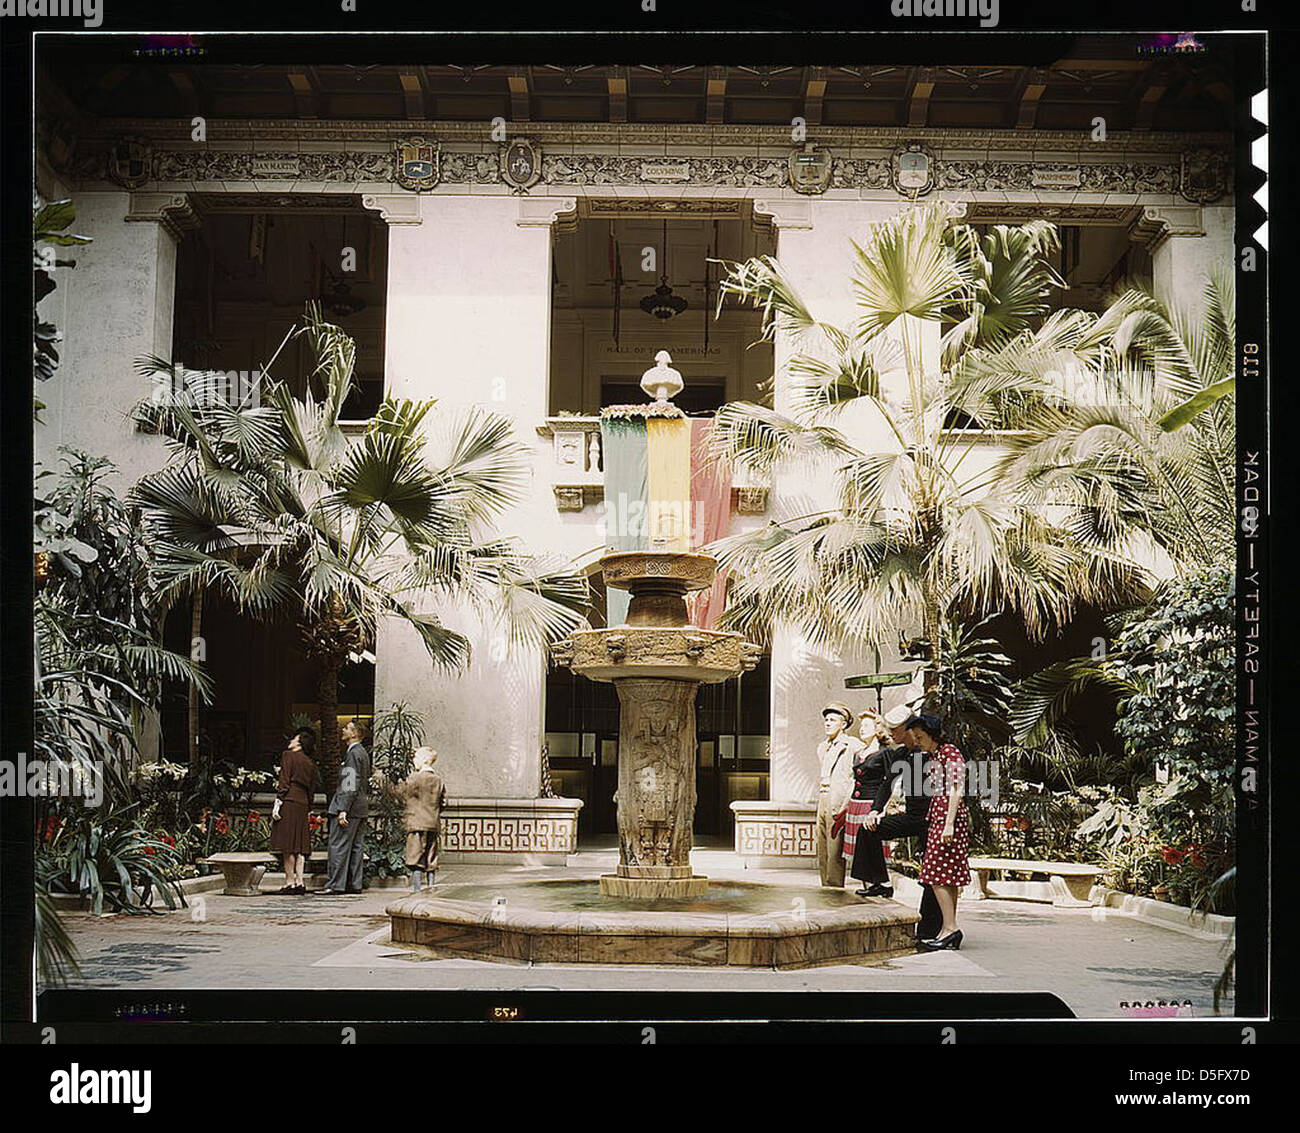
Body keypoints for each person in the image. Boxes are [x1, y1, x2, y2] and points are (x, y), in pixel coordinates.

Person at [849, 704, 943, 941]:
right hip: (913, 817)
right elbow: (886, 784)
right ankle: (880, 882)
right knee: (868, 829)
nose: (890, 734)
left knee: (931, 875)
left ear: (908, 729)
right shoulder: (901, 754)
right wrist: (875, 811)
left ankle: (929, 930)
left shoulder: (935, 751)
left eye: (895, 731)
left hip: (934, 820)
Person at [909, 712, 970, 951]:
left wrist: (949, 823)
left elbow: (957, 789)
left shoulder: (950, 752)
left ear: (932, 734)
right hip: (940, 817)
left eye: (920, 736)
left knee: (936, 874)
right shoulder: (937, 755)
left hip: (948, 819)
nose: (917, 740)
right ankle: (948, 929)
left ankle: (952, 928)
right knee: (947, 875)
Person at [815, 702, 865, 888]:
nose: (828, 723)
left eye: (833, 720)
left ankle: (834, 889)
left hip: (839, 800)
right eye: (826, 720)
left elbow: (855, 777)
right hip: (823, 797)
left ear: (843, 724)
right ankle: (825, 887)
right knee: (822, 847)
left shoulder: (852, 745)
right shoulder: (822, 747)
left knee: (835, 848)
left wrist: (847, 803)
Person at [321, 718, 372, 896]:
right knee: (356, 847)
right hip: (360, 808)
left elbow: (350, 783)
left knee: (338, 846)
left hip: (349, 807)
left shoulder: (352, 754)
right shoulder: (363, 753)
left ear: (355, 734)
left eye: (347, 728)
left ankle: (335, 885)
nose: (343, 730)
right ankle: (354, 884)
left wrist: (343, 809)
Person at [840, 710, 893, 873]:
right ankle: (867, 884)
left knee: (871, 845)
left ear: (877, 728)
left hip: (871, 804)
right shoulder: (859, 753)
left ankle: (878, 884)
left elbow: (891, 779)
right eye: (861, 725)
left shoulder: (885, 752)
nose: (862, 729)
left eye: (866, 725)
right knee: (858, 849)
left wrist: (883, 807)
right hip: (856, 804)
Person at [392, 746, 447, 892]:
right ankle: (431, 887)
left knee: (415, 857)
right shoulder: (438, 780)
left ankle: (417, 890)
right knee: (431, 857)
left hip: (416, 823)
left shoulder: (414, 778)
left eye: (415, 757)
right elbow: (443, 802)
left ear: (423, 760)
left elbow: (399, 794)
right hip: (433, 824)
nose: (414, 760)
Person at [270, 728, 317, 894]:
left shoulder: (288, 756)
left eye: (294, 738)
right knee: (300, 844)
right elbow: (311, 789)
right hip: (303, 802)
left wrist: (278, 801)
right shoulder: (310, 763)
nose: (291, 740)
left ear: (299, 743)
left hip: (289, 800)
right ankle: (300, 881)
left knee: (288, 845)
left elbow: (284, 780)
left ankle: (289, 882)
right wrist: (309, 807)